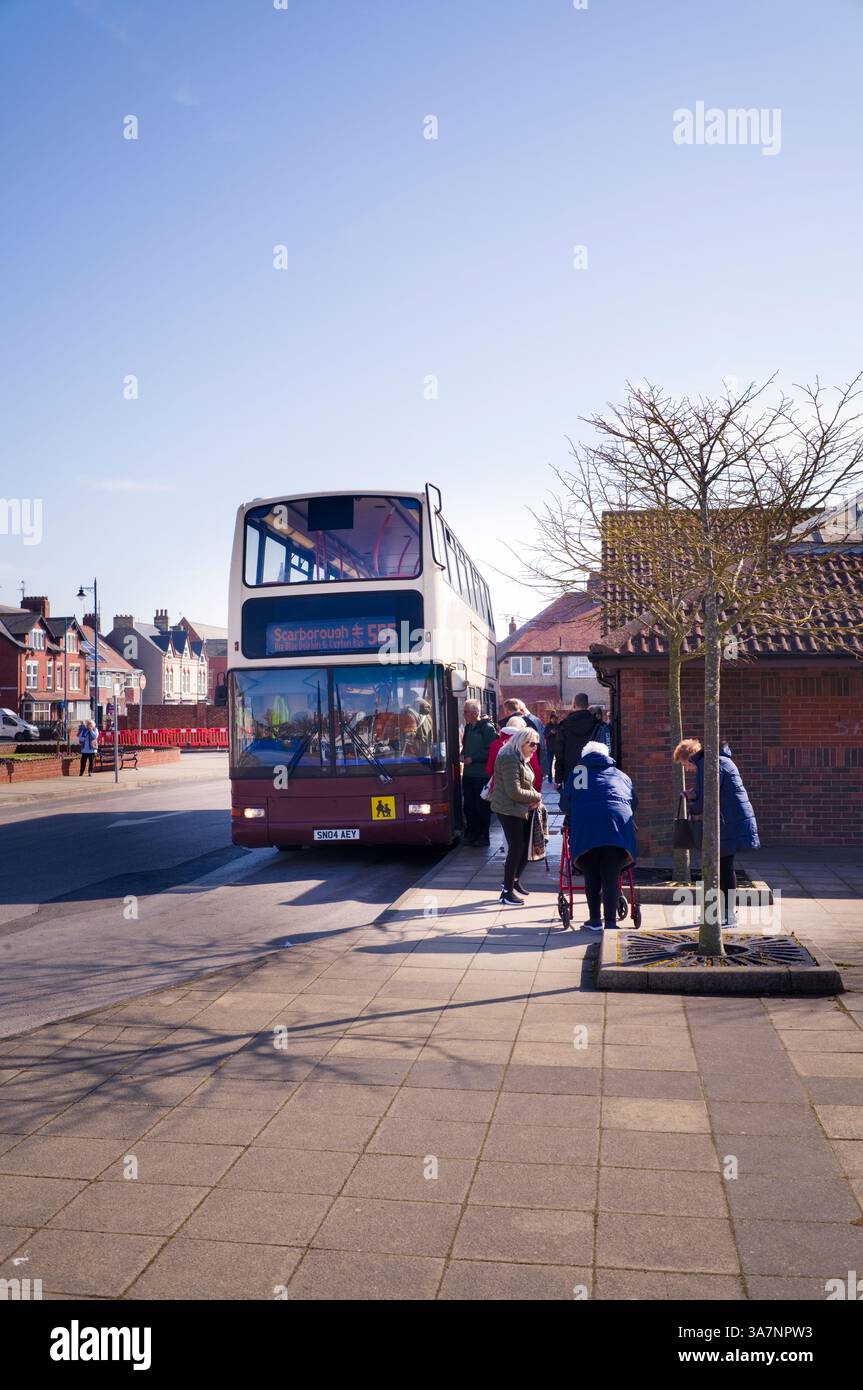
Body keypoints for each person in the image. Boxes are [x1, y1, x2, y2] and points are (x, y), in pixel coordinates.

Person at [673, 737, 759, 926]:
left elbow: (710, 796)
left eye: (684, 765)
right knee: (720, 866)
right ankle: (717, 913)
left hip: (729, 821)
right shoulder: (716, 760)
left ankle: (728, 915)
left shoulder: (708, 763)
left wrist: (694, 809)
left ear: (689, 757)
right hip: (731, 818)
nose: (687, 769)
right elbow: (713, 790)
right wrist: (695, 794)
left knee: (723, 867)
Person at [560, 739, 638, 932]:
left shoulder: (579, 773)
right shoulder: (620, 775)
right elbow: (633, 802)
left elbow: (565, 805)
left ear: (584, 757)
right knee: (611, 873)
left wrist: (578, 813)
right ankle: (610, 922)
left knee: (591, 871)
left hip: (588, 827)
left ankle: (594, 920)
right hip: (617, 827)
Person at [490, 727, 543, 904]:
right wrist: (537, 796)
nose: (535, 748)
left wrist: (533, 798)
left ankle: (514, 881)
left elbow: (526, 784)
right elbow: (514, 791)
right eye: (532, 744)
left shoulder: (521, 756)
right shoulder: (508, 758)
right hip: (508, 808)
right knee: (516, 848)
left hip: (520, 808)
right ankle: (506, 892)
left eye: (537, 744)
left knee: (525, 847)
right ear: (521, 742)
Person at [460, 699, 497, 846]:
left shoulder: (487, 728)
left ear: (475, 713)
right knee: (469, 806)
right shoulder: (469, 728)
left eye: (466, 712)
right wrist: (463, 754)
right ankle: (472, 833)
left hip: (481, 775)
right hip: (469, 774)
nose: (464, 715)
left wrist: (473, 758)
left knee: (481, 807)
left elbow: (491, 751)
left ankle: (483, 836)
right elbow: (466, 746)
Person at [553, 693, 598, 786]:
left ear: (574, 705)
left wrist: (558, 778)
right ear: (587, 705)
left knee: (572, 799)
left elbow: (559, 753)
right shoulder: (596, 724)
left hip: (570, 771)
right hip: (593, 770)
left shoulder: (565, 725)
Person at [487, 716, 543, 790]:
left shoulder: (495, 744)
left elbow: (490, 769)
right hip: (521, 791)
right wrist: (537, 791)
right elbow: (535, 769)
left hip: (499, 790)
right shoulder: (525, 744)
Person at [542, 711, 559, 782]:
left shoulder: (558, 726)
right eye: (553, 719)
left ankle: (557, 777)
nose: (554, 720)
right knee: (549, 763)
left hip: (558, 747)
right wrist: (551, 733)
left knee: (558, 763)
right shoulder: (547, 726)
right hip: (549, 748)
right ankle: (550, 778)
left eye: (556, 719)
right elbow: (545, 735)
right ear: (551, 719)